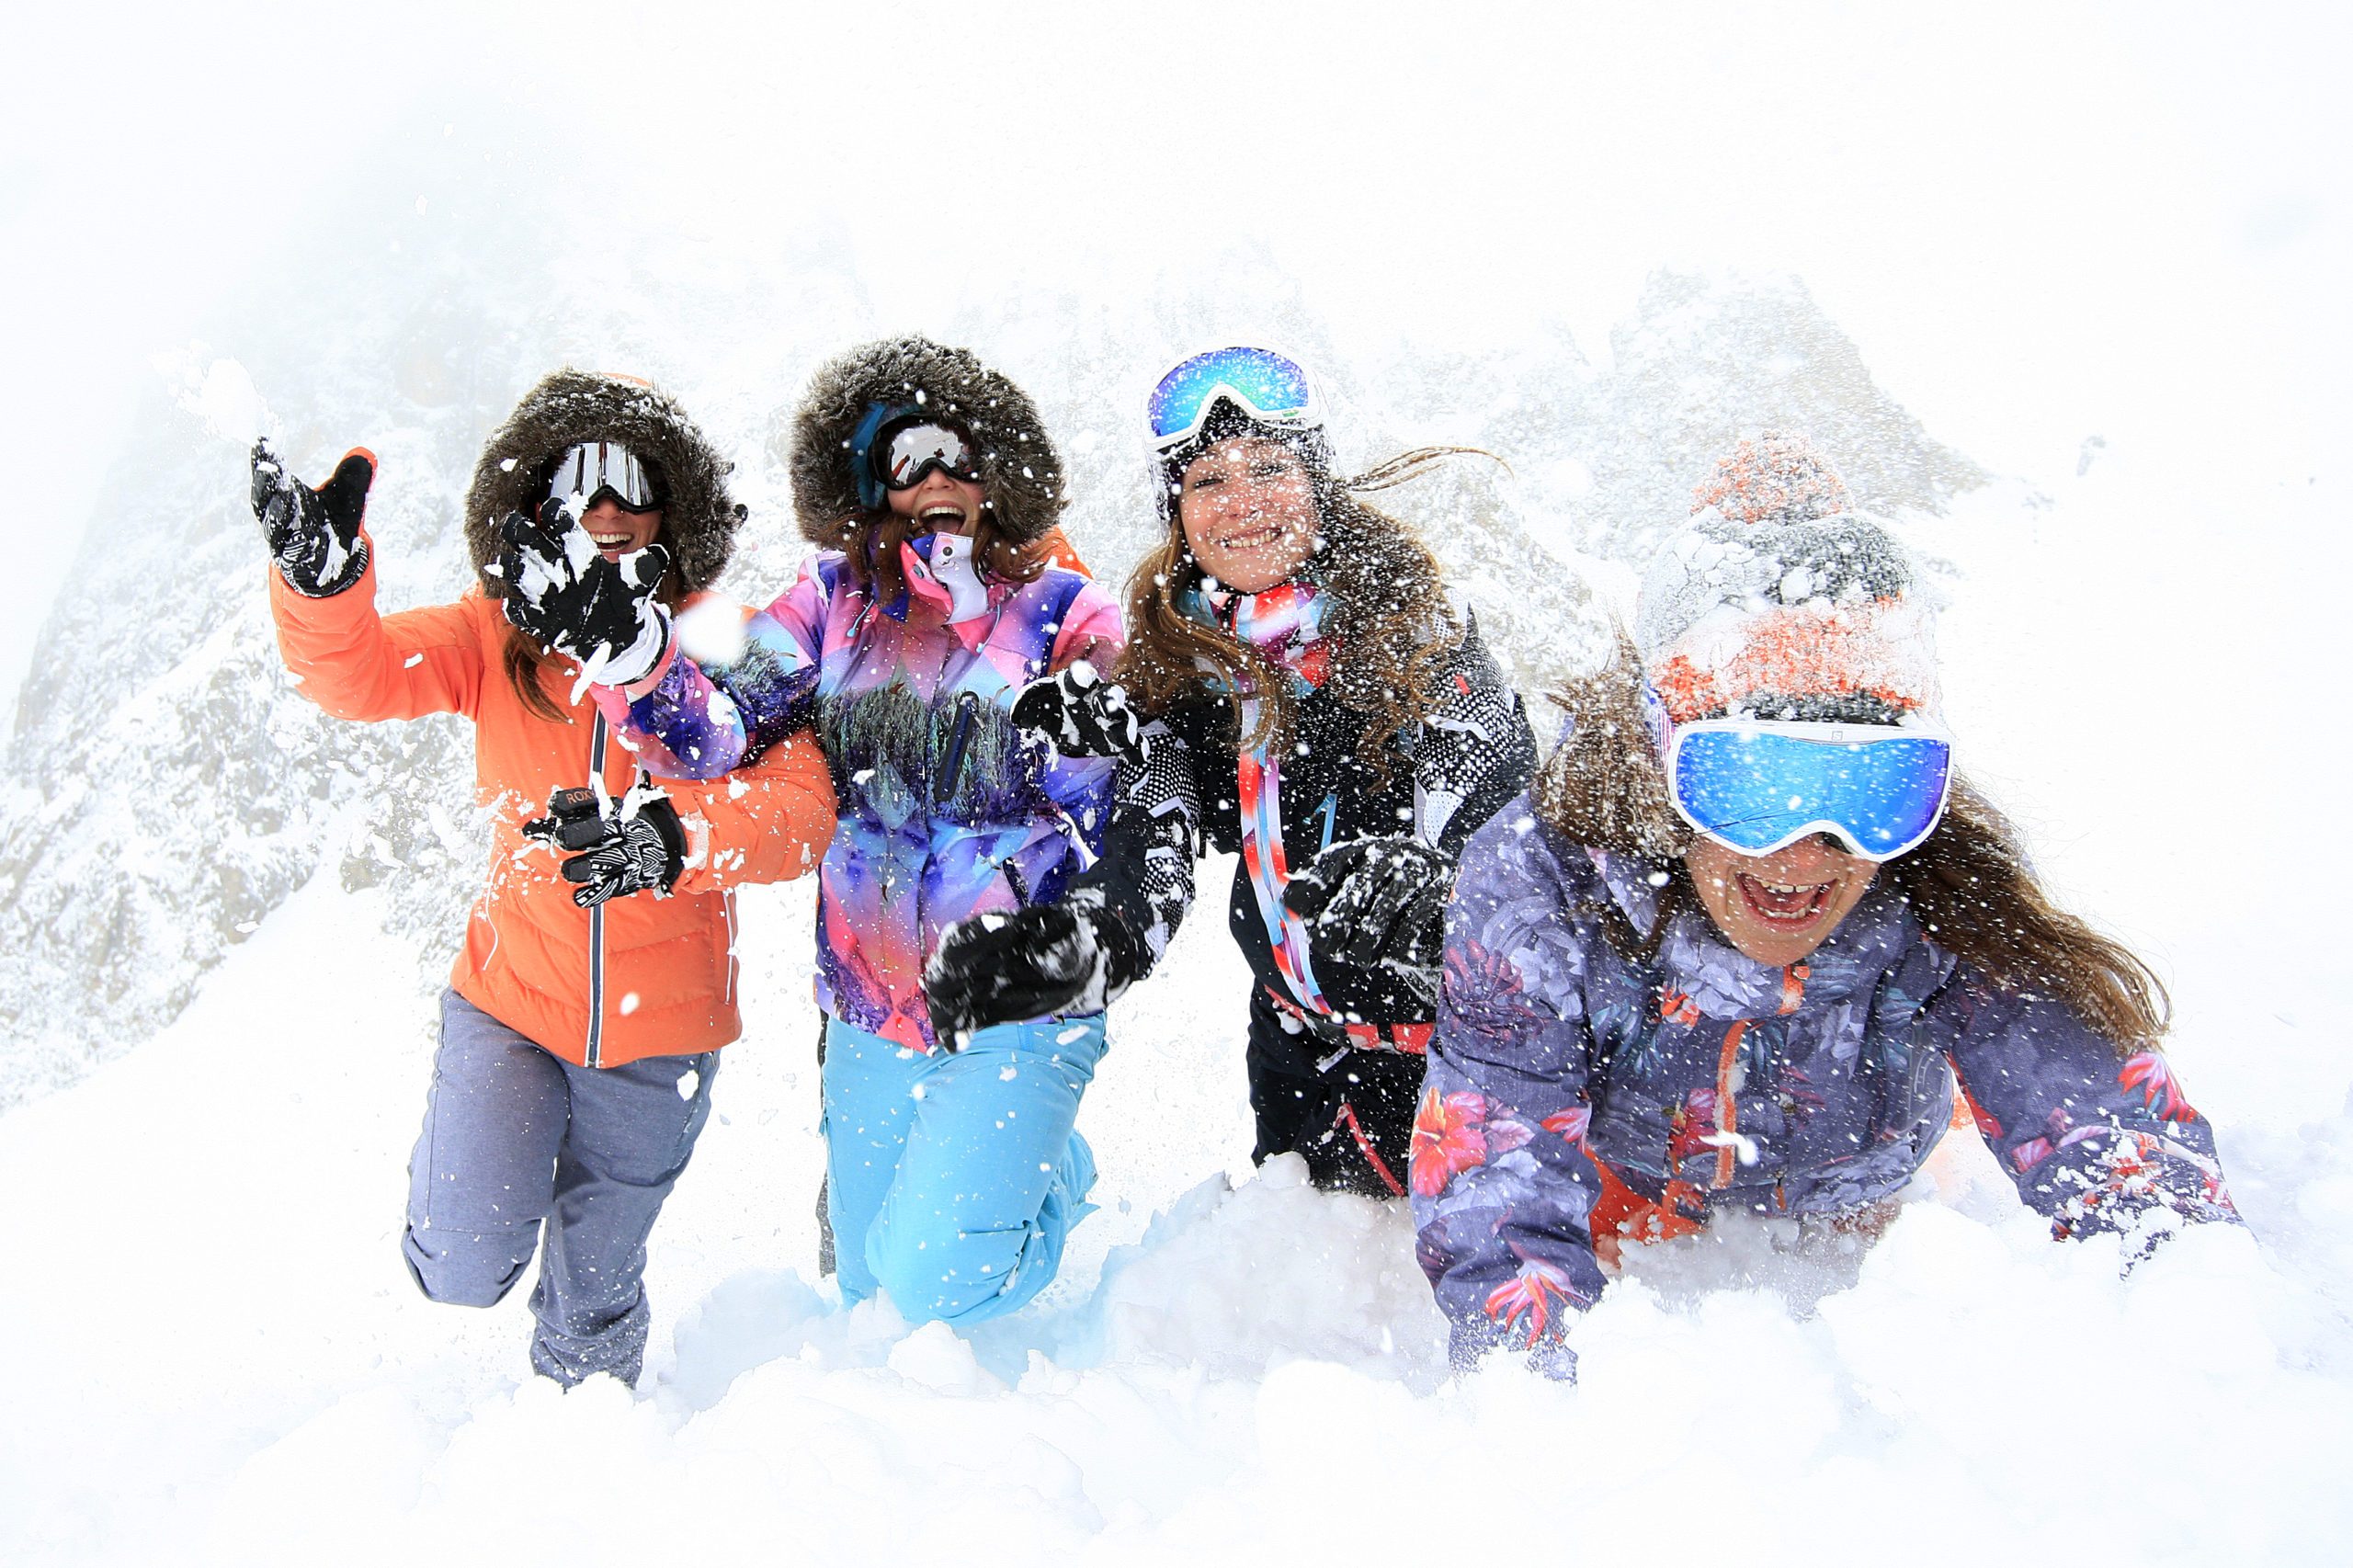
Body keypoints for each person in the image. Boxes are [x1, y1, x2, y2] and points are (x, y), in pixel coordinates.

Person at [1408, 433, 2240, 1374]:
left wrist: (2197, 1324)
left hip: (1859, 1196)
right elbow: (1496, 1147)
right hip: (1628, 1183)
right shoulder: (1541, 872)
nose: (1802, 850)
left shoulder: (1940, 874)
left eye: (1870, 788)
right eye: (1747, 780)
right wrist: (1528, 1390)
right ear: (1658, 758)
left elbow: (2091, 1113)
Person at [500, 335, 1125, 1326]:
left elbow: (1119, 802)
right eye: (900, 459)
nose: (931, 481)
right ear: (864, 483)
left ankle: (1042, 1176)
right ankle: (984, 1186)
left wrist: (1078, 769)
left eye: (952, 453)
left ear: (997, 467)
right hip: (870, 1003)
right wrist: (631, 659)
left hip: (1019, 999)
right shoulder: (830, 600)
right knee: (872, 1287)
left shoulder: (1067, 613)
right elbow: (713, 730)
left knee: (933, 1283)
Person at [251, 370, 836, 1386]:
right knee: (461, 1262)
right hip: (512, 1002)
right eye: (574, 484)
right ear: (529, 511)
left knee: (595, 1287)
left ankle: (586, 1454)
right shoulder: (494, 634)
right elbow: (362, 678)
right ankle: (480, 1225)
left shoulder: (725, 643)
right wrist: (323, 587)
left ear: (674, 504)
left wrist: (673, 836)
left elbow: (799, 814)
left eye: (628, 483)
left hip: (664, 1036)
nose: (603, 509)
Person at [925, 345, 1539, 1198]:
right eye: (1208, 480)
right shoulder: (1185, 660)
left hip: (1465, 1061)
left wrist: (1442, 895)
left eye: (1270, 468)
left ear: (1320, 481)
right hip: (1297, 1061)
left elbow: (1515, 840)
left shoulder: (1424, 638)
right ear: (1177, 510)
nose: (1242, 503)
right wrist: (1087, 943)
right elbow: (1157, 839)